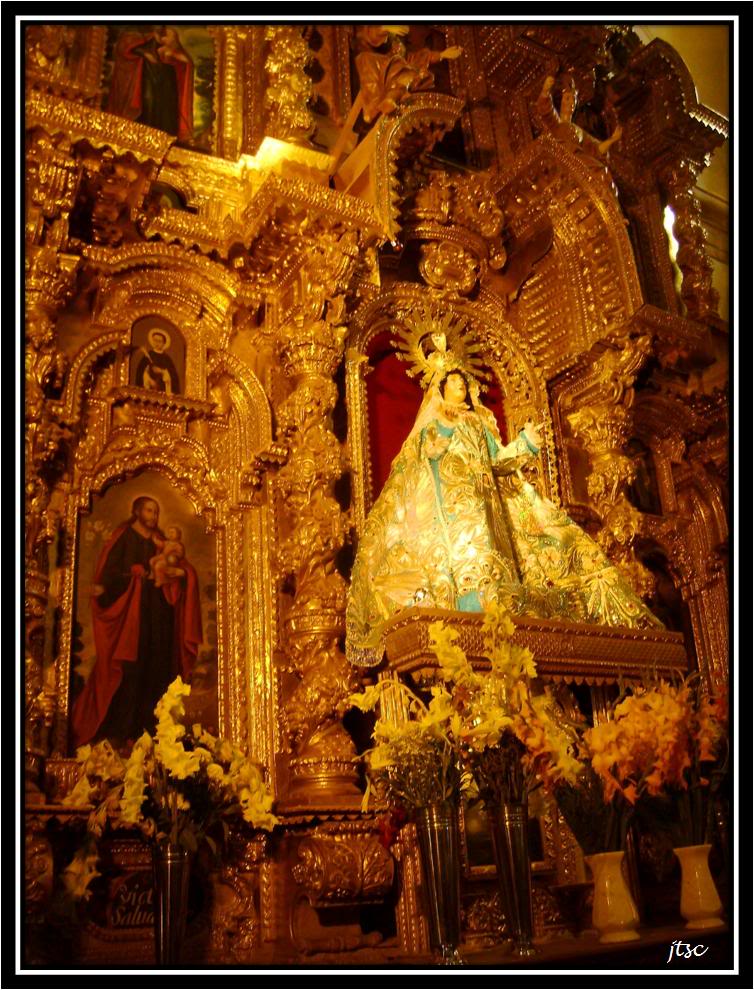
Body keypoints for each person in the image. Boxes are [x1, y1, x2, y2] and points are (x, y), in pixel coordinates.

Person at [345, 332, 662, 667]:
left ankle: (494, 601)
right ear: (439, 389)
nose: (461, 388)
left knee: (490, 551)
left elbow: (498, 461)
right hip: (450, 508)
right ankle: (466, 603)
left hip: (486, 504)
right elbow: (415, 469)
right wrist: (433, 455)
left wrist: (526, 443)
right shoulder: (431, 428)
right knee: (463, 555)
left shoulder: (479, 423)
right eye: (453, 382)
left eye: (464, 382)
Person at [71, 496, 202, 748]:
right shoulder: (124, 536)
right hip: (132, 616)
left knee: (158, 668)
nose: (153, 516)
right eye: (149, 511)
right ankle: (123, 731)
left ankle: (152, 732)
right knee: (131, 670)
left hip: (159, 615)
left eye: (156, 511)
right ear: (137, 511)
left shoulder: (160, 540)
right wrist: (130, 575)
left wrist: (182, 574)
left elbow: (181, 566)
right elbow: (108, 575)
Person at [107, 26, 194, 142]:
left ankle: (163, 137)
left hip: (164, 84)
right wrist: (145, 54)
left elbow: (183, 62)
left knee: (163, 112)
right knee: (148, 102)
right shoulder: (137, 33)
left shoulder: (168, 36)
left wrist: (173, 56)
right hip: (144, 78)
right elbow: (125, 47)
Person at [134, 327, 180, 394]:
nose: (157, 343)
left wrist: (162, 372)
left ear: (164, 343)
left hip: (163, 389)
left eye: (159, 341)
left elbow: (173, 376)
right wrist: (149, 379)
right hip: (150, 387)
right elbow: (141, 371)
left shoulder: (167, 358)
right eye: (155, 340)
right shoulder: (148, 355)